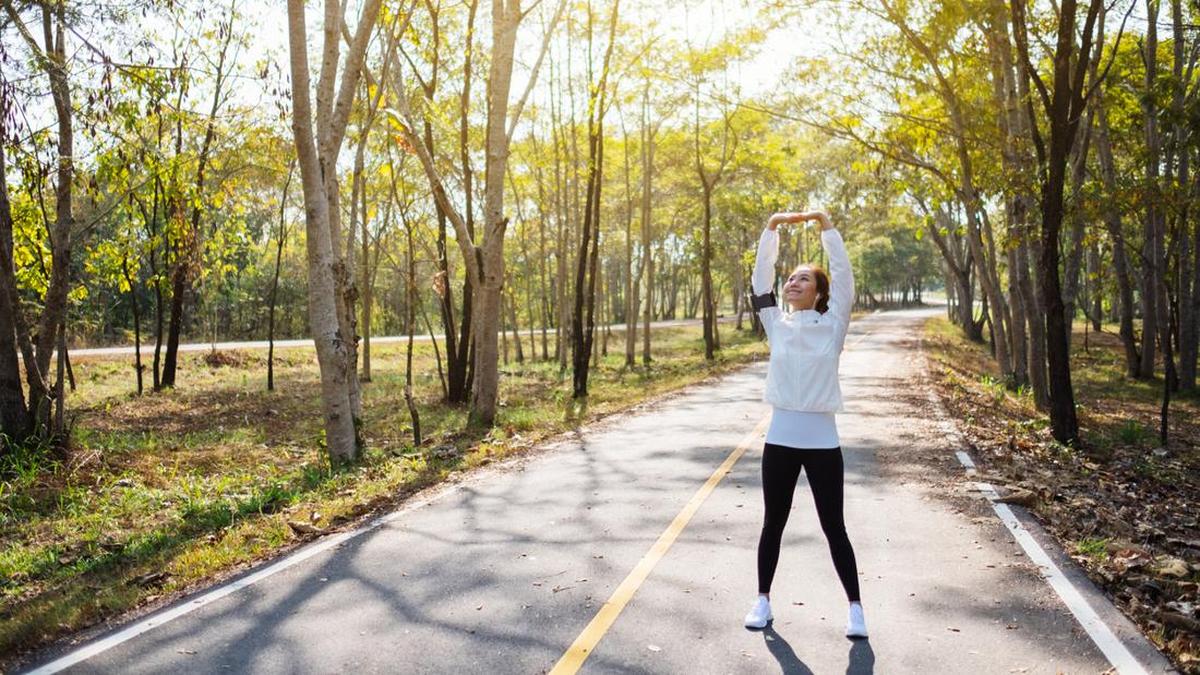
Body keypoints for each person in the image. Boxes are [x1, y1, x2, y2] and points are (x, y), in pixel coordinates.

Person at [742, 210, 867, 639]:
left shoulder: (833, 327)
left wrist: (826, 226)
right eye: (791, 279)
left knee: (834, 526)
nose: (792, 284)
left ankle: (855, 610)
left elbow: (844, 277)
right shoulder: (776, 324)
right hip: (779, 440)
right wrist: (771, 229)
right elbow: (761, 282)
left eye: (803, 280)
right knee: (772, 522)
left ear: (818, 294)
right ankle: (762, 600)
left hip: (822, 442)